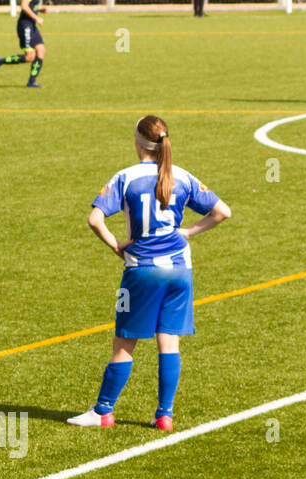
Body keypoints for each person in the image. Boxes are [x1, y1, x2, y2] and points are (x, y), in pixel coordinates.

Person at [67, 116, 232, 431]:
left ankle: (103, 411)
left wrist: (116, 244)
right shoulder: (181, 176)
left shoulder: (125, 177)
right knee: (169, 342)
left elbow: (94, 219)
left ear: (138, 141)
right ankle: (164, 415)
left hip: (141, 271)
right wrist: (188, 232)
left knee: (124, 344)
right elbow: (223, 211)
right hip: (179, 271)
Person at [0, 0, 47, 89]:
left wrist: (40, 9)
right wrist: (37, 18)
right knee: (30, 57)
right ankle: (0, 61)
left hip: (32, 25)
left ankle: (31, 82)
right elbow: (24, 6)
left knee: (41, 51)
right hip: (25, 26)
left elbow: (31, 6)